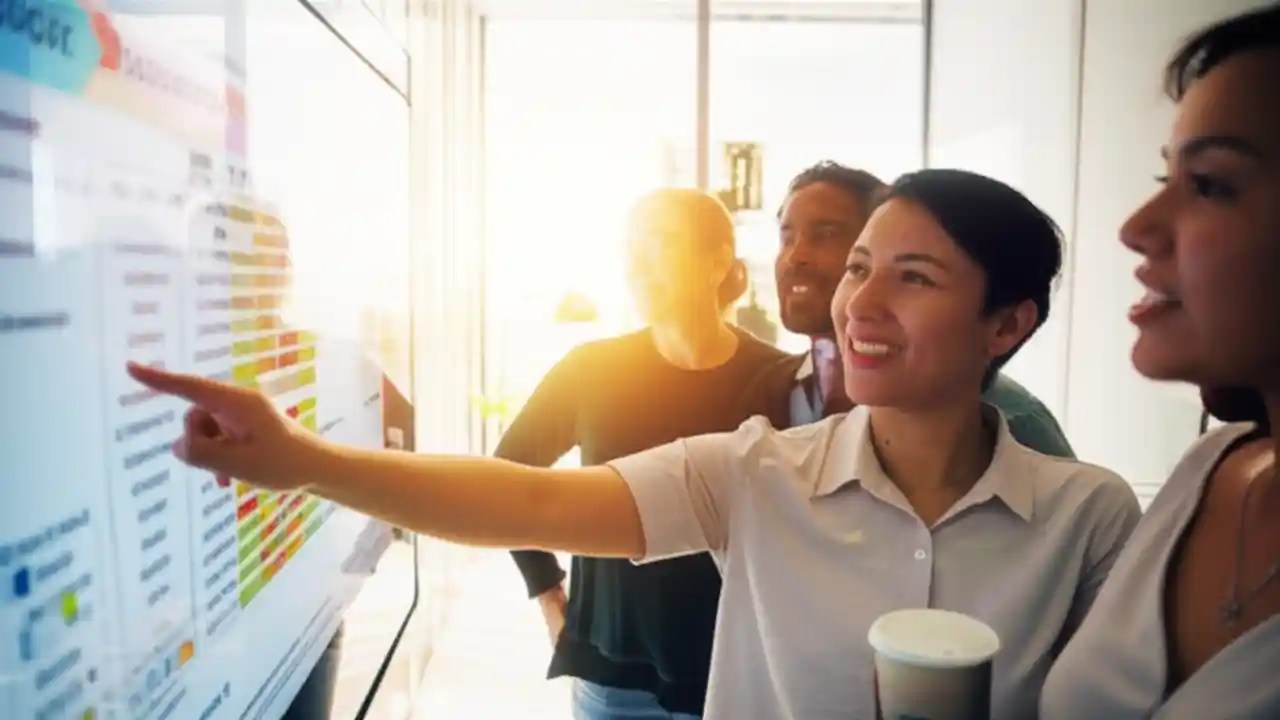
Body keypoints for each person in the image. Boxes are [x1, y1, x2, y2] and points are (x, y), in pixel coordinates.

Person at [125, 168, 1141, 720]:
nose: (858, 301)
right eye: (858, 267)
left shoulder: (1087, 516)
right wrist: (307, 460)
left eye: (912, 277)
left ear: (1005, 324)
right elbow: (520, 499)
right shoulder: (750, 470)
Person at [1041, 6, 1280, 717]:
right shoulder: (1208, 470)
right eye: (1163, 176)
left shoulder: (1083, 500)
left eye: (1208, 183)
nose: (1136, 227)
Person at [497, 189, 787, 719]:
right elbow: (507, 475)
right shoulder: (590, 371)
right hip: (611, 675)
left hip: (734, 673)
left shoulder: (776, 380)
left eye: (658, 242)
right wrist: (548, 595)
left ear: (718, 260)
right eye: (630, 248)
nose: (637, 263)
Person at [748, 161, 1074, 457]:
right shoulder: (763, 391)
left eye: (826, 234)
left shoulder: (1016, 425)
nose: (795, 257)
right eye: (787, 238)